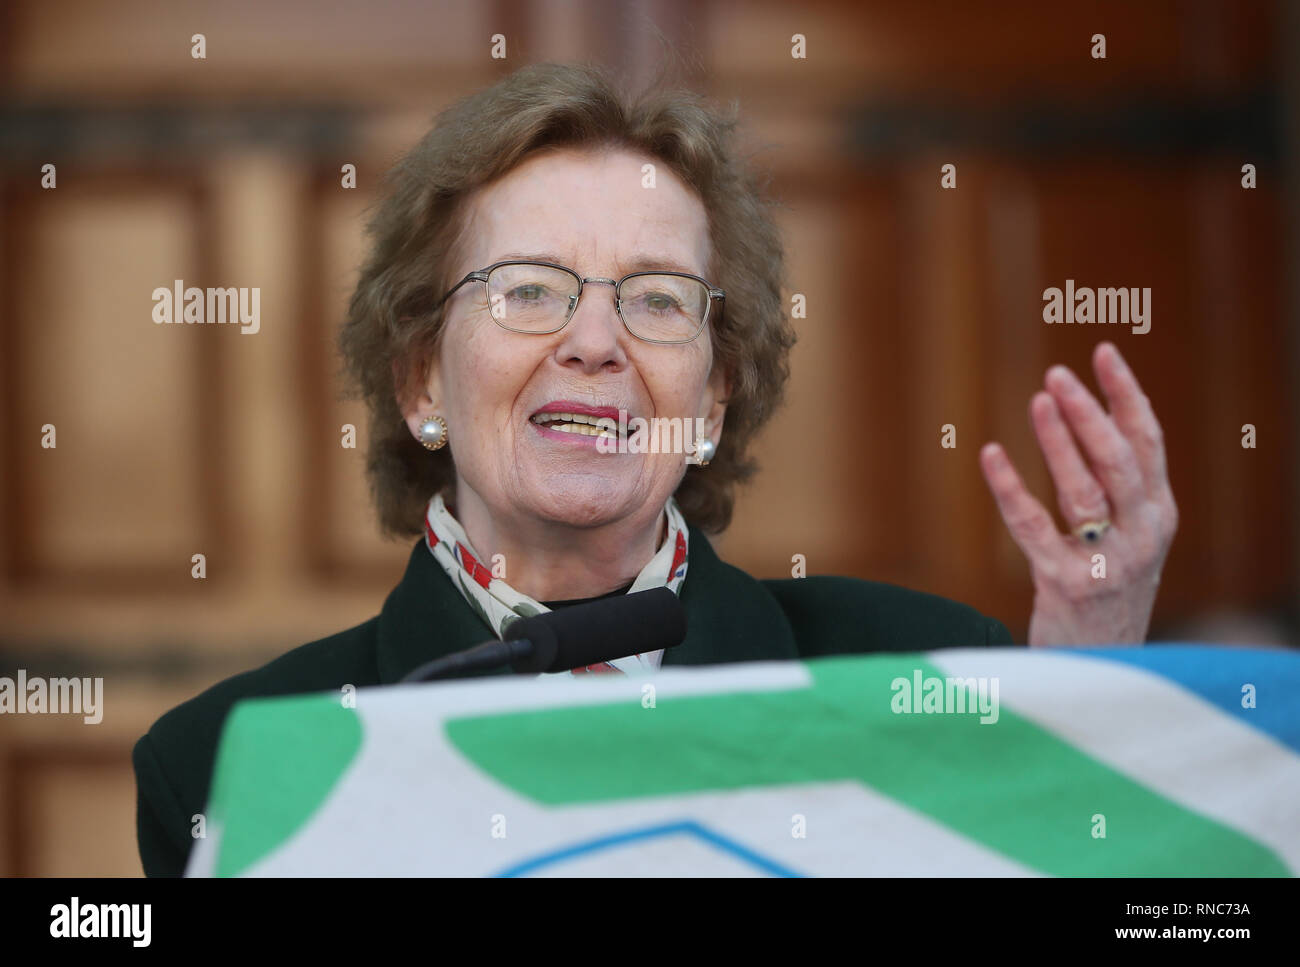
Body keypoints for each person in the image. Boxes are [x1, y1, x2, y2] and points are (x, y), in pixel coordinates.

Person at [132, 63, 1178, 876]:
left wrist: (1088, 709)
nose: (595, 341)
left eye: (658, 299)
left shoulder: (929, 678)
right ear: (420, 382)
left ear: (712, 399)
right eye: (528, 289)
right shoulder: (229, 762)